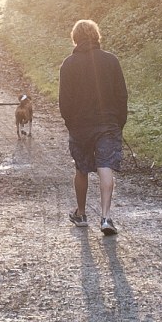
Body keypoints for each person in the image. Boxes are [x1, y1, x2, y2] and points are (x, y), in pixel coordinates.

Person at [57, 17, 127, 235]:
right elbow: (121, 96)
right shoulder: (111, 61)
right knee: (104, 165)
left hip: (80, 126)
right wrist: (119, 122)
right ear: (97, 37)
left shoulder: (68, 65)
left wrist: (72, 124)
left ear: (75, 39)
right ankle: (106, 218)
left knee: (82, 168)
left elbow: (64, 101)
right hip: (108, 124)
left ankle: (81, 213)